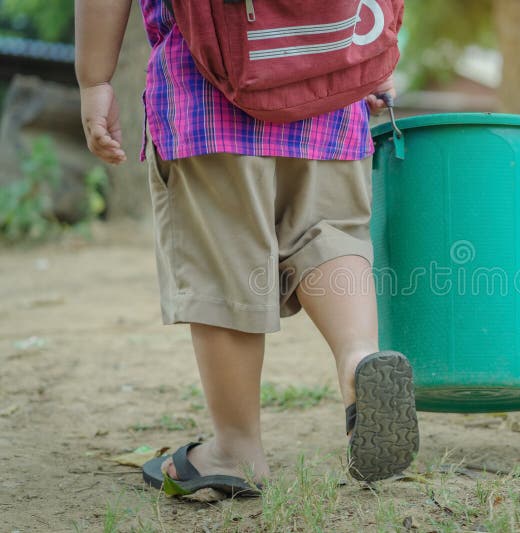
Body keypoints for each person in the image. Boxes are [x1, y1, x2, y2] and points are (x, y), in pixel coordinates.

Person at [76, 0, 419, 496]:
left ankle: (235, 450)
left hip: (210, 90)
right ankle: (359, 360)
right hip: (329, 77)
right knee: (329, 234)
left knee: (223, 260)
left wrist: (94, 80)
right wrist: (375, 57)